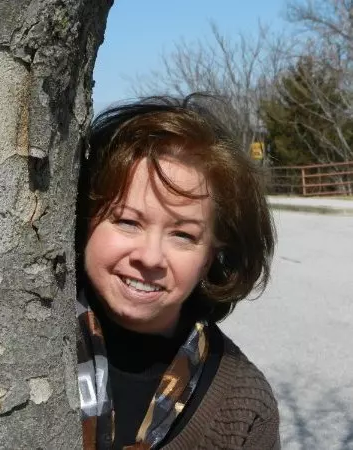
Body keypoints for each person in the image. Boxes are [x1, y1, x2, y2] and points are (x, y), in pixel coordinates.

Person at [75, 93, 279, 449]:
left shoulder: (244, 409)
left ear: (213, 255)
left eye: (183, 235)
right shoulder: (14, 341)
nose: (151, 258)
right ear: (85, 221)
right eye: (127, 221)